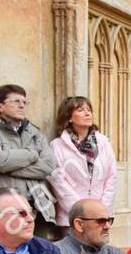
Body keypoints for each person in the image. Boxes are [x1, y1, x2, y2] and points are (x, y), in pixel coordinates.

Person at [0, 85, 56, 227]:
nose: (22, 106)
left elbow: (48, 166)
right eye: (16, 101)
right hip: (4, 210)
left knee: (38, 248)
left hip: (38, 208)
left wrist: (6, 165)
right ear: (0, 106)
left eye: (24, 102)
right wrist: (32, 154)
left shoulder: (35, 133)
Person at [49, 96, 117, 235]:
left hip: (100, 217)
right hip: (72, 218)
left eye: (89, 110)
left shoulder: (103, 143)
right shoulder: (57, 145)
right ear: (69, 117)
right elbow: (58, 180)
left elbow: (111, 177)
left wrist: (101, 210)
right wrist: (81, 211)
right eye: (80, 110)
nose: (87, 113)